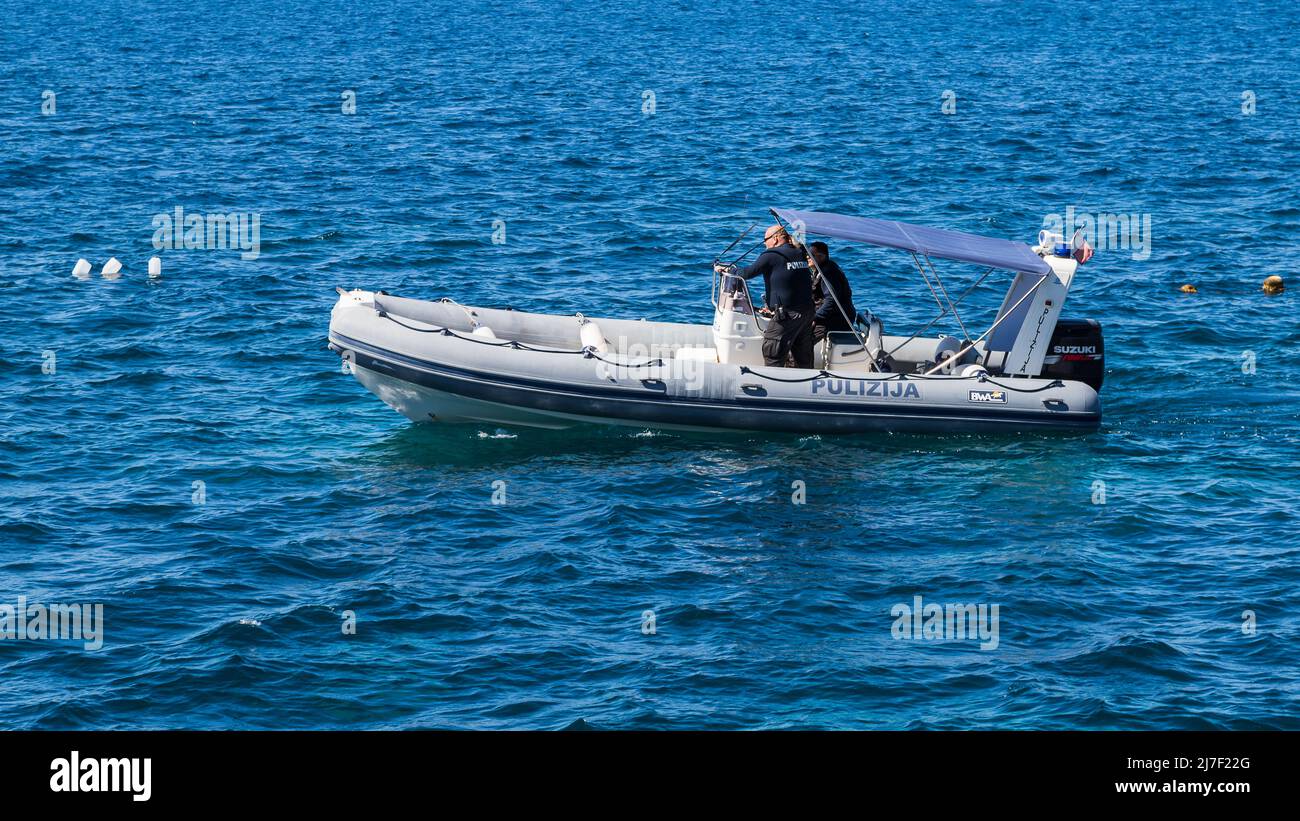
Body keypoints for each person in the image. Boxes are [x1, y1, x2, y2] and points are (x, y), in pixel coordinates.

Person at [714, 224, 815, 368]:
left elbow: (747, 273)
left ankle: (773, 383)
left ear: (775, 239)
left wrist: (727, 269)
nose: (765, 243)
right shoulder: (799, 253)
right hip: (807, 311)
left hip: (788, 315)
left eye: (765, 239)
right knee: (802, 352)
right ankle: (805, 382)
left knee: (772, 350)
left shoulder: (772, 255)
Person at [808, 241, 855, 343]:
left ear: (821, 257)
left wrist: (814, 317)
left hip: (835, 319)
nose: (807, 257)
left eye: (811, 255)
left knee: (803, 340)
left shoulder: (828, 274)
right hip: (826, 315)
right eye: (807, 254)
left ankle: (799, 357)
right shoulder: (820, 270)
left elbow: (831, 300)